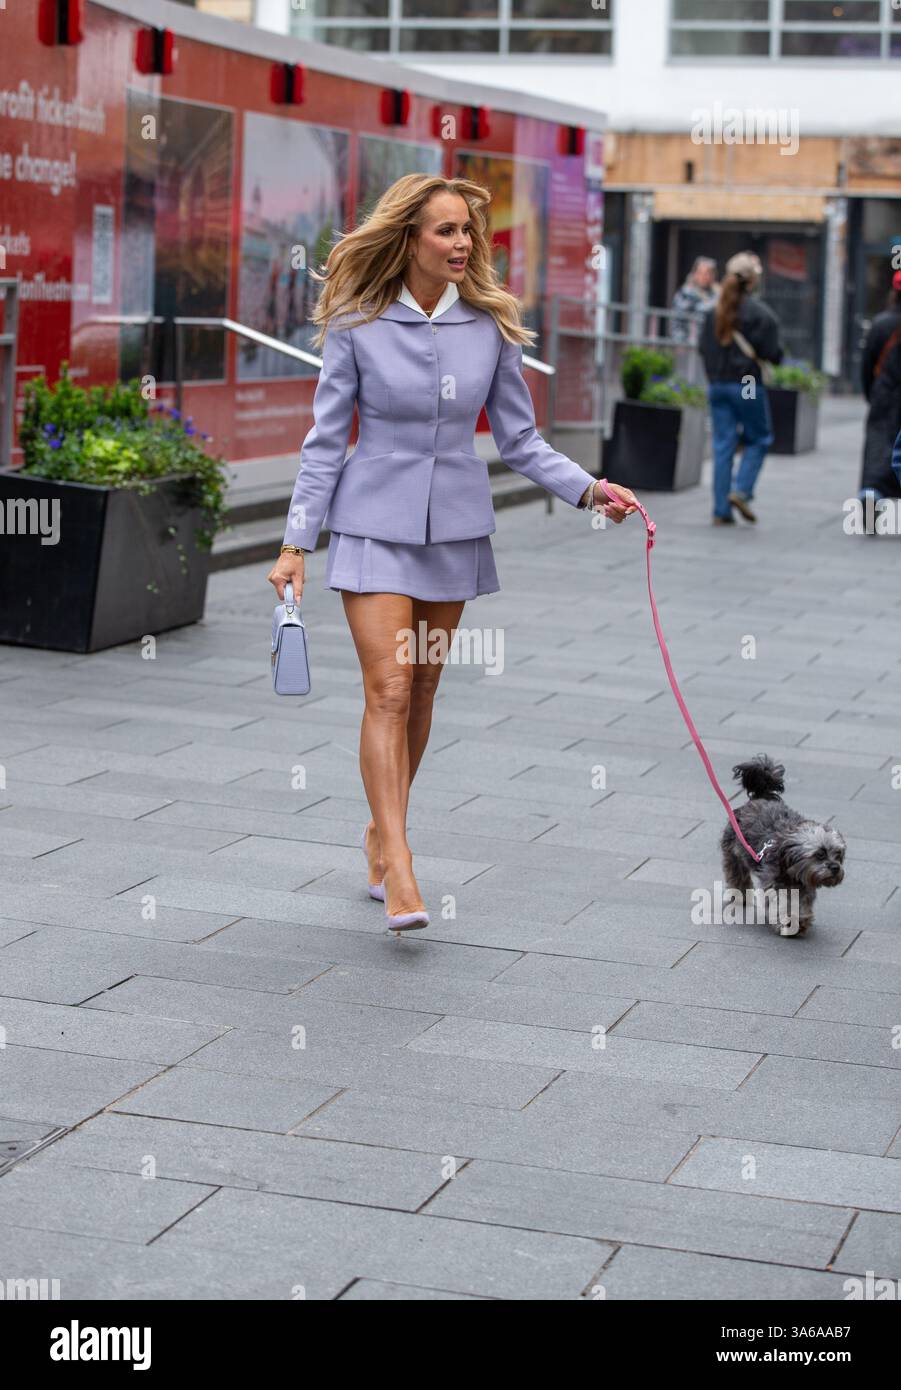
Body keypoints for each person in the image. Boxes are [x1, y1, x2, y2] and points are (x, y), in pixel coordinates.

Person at [267, 174, 638, 932]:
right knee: (389, 690)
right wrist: (295, 541)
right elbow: (325, 438)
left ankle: (379, 828)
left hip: (454, 531)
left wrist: (589, 489)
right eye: (444, 230)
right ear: (408, 239)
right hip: (370, 524)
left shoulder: (492, 326)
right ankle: (399, 863)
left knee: (425, 688)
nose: (461, 243)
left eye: (468, 230)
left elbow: (520, 439)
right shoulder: (355, 321)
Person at [699, 250, 784, 525]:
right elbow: (774, 353)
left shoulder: (713, 312)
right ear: (753, 281)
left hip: (717, 385)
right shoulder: (761, 314)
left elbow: (702, 348)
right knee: (758, 438)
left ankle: (720, 511)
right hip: (746, 384)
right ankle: (742, 490)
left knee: (723, 444)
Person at [858, 271, 901, 510]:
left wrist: (870, 394)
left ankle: (872, 492)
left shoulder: (881, 323)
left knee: (878, 448)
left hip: (885, 395)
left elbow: (867, 364)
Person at [670, 256, 718, 343]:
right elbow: (678, 321)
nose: (704, 276)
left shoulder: (717, 294)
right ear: (694, 274)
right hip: (690, 344)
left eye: (708, 273)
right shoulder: (686, 293)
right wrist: (679, 343)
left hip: (711, 344)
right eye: (700, 272)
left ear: (713, 275)